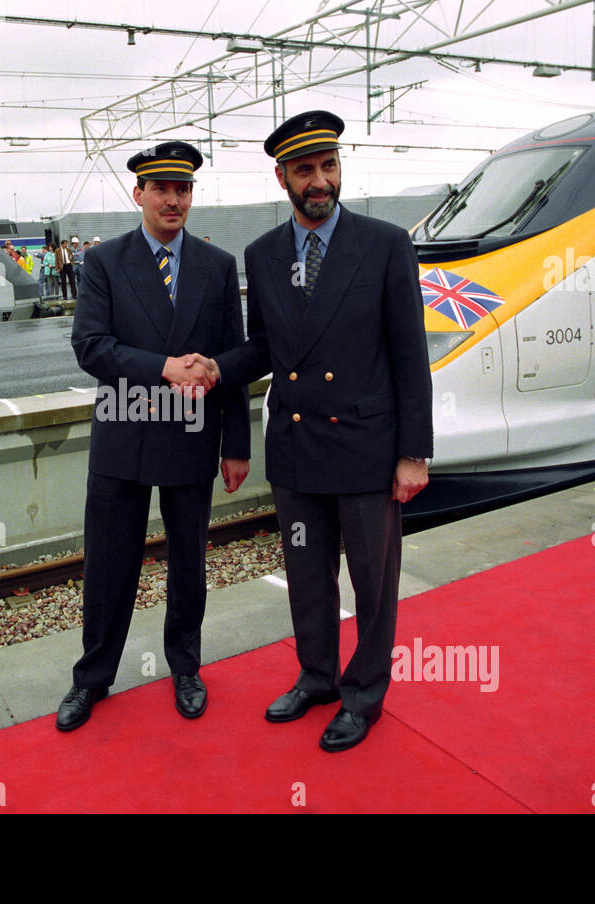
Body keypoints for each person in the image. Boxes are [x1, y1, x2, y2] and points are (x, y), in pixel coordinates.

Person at [207, 111, 433, 752]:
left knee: (372, 582)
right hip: (299, 447)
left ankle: (364, 695)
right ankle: (317, 676)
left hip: (366, 448)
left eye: (328, 165)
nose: (320, 180)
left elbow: (409, 354)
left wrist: (413, 453)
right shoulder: (263, 254)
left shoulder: (385, 244)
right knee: (307, 574)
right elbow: (265, 349)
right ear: (282, 177)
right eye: (304, 169)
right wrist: (213, 369)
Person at [56, 140, 251, 731]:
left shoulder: (217, 268)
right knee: (110, 565)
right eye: (161, 189)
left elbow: (232, 361)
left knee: (189, 562)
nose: (173, 199)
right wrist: (164, 367)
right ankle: (91, 678)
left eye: (183, 189)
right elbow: (90, 347)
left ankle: (185, 668)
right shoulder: (104, 263)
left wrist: (236, 443)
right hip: (124, 433)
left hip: (193, 437)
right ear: (137, 193)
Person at [56, 236, 76, 301]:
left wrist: (72, 263)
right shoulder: (58, 250)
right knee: (63, 282)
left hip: (69, 265)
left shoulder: (68, 250)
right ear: (62, 244)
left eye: (67, 244)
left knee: (72, 281)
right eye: (65, 244)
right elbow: (56, 260)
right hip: (62, 267)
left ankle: (74, 294)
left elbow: (71, 257)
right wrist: (57, 268)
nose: (66, 245)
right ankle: (65, 296)